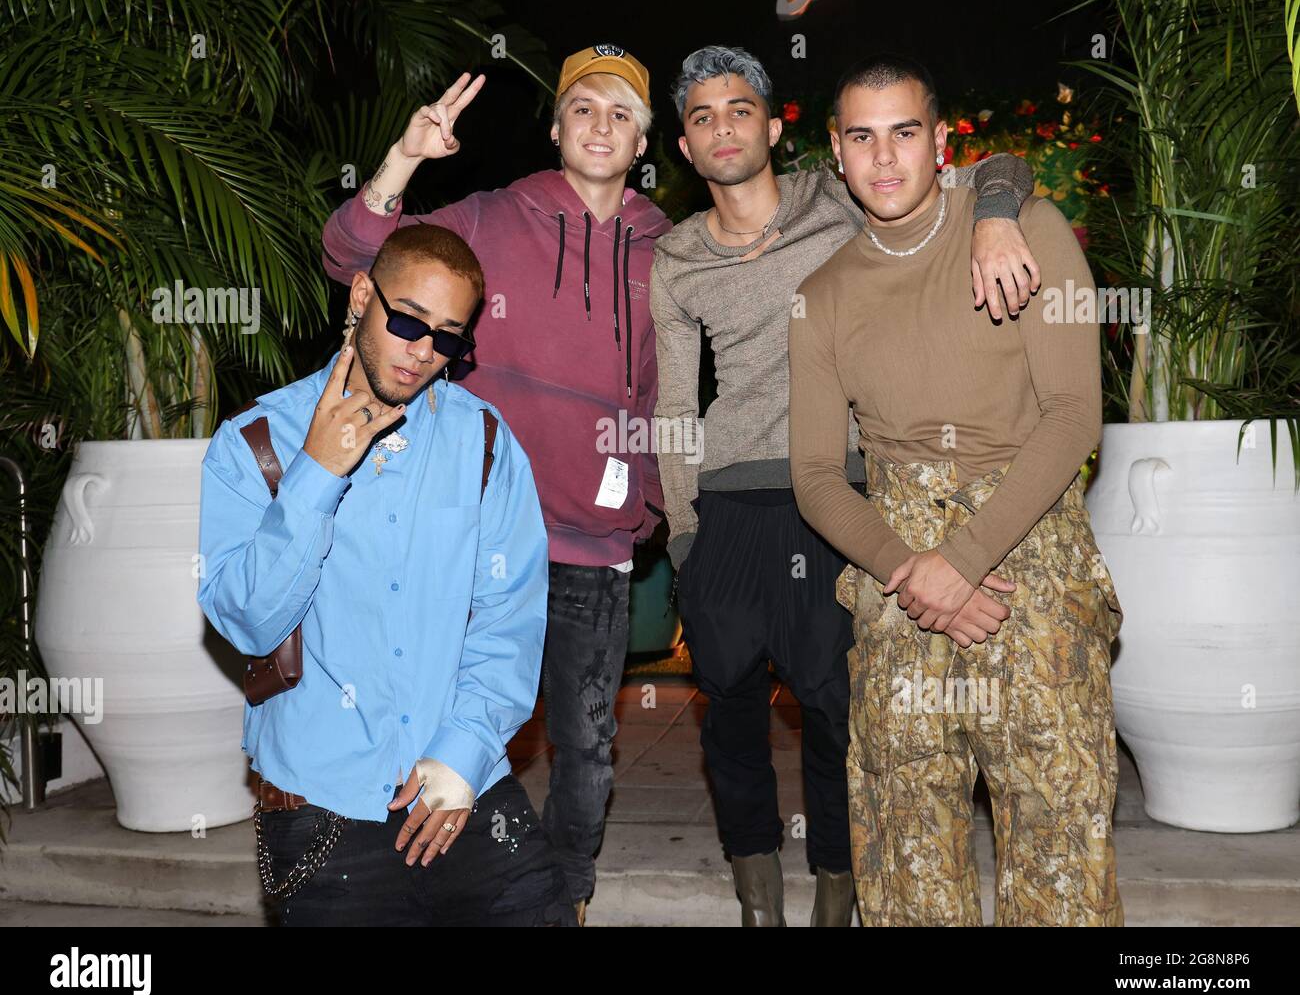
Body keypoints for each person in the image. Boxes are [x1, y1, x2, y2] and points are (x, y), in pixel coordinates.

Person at [651, 45, 1039, 927]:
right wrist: (682, 537)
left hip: (841, 490)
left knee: (835, 709)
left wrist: (998, 215)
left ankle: (837, 893)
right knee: (728, 711)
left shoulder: (840, 190)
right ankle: (759, 900)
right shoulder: (674, 259)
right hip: (730, 502)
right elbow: (673, 404)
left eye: (739, 109)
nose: (723, 127)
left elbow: (991, 166)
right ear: (684, 145)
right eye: (704, 116)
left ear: (774, 124)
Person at [320, 46, 671, 923]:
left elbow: (672, 383)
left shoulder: (669, 244)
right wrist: (403, 160)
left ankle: (566, 900)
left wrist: (653, 502)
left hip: (595, 543)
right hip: (476, 537)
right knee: (450, 733)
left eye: (621, 114)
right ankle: (431, 887)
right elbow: (353, 258)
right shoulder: (491, 215)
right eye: (583, 108)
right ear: (555, 127)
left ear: (641, 141)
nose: (601, 125)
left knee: (587, 748)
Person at [789, 53, 1123, 926]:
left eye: (905, 132)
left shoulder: (1025, 228)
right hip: (896, 579)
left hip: (1030, 559)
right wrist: (912, 571)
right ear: (837, 151)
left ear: (942, 143)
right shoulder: (820, 297)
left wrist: (965, 558)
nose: (885, 157)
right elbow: (818, 475)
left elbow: (1073, 418)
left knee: (1058, 832)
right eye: (861, 137)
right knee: (906, 847)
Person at [198, 224, 576, 927]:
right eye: (405, 321)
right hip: (325, 809)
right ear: (363, 293)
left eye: (448, 338)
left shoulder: (485, 442)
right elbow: (247, 620)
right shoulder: (254, 442)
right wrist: (315, 473)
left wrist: (463, 755)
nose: (422, 351)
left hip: (468, 788)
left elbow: (510, 621)